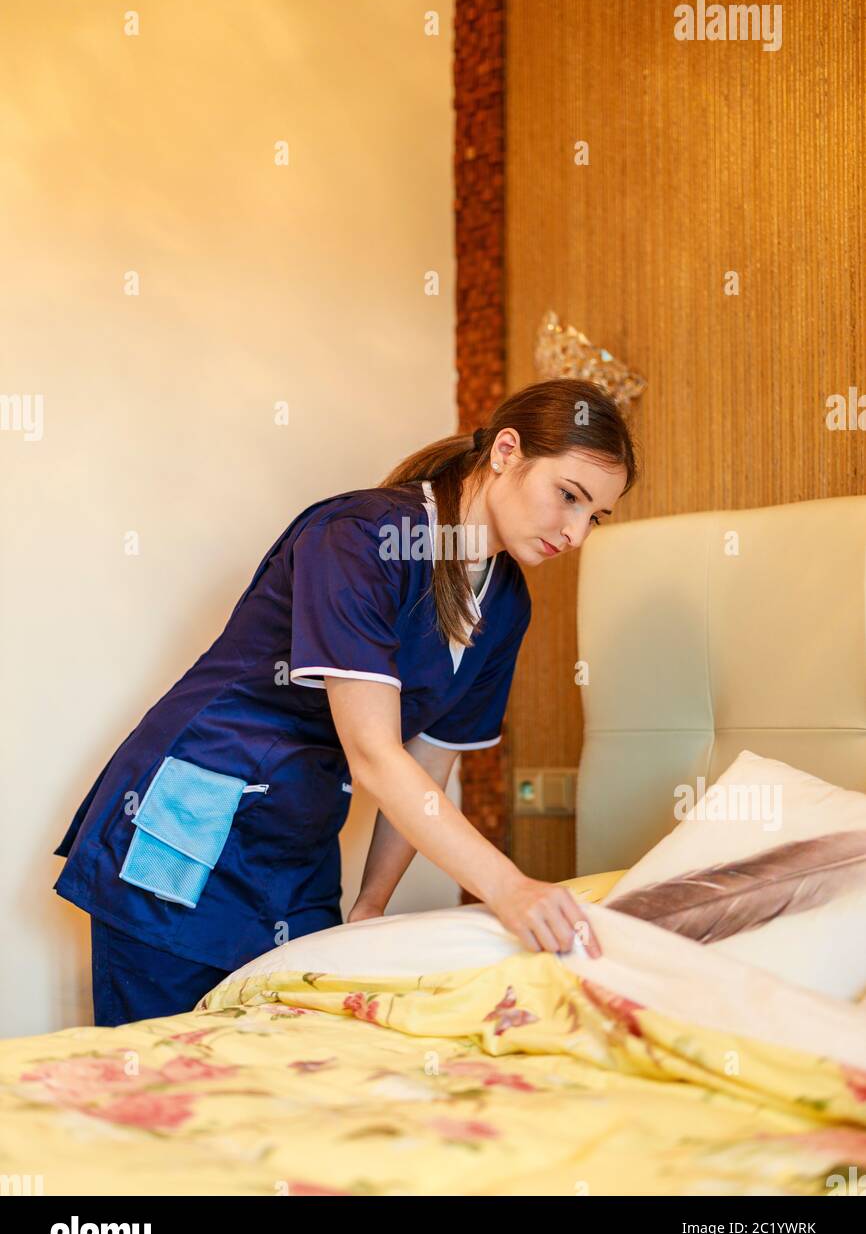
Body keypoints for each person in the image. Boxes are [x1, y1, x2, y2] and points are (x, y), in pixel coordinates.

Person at [52, 377, 637, 1025]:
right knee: (158, 1072)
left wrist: (371, 906)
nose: (577, 534)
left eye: (595, 516)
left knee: (286, 1061)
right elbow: (374, 755)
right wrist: (509, 887)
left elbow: (426, 764)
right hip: (188, 819)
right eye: (568, 497)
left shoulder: (505, 604)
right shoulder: (359, 538)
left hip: (296, 845)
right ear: (506, 451)